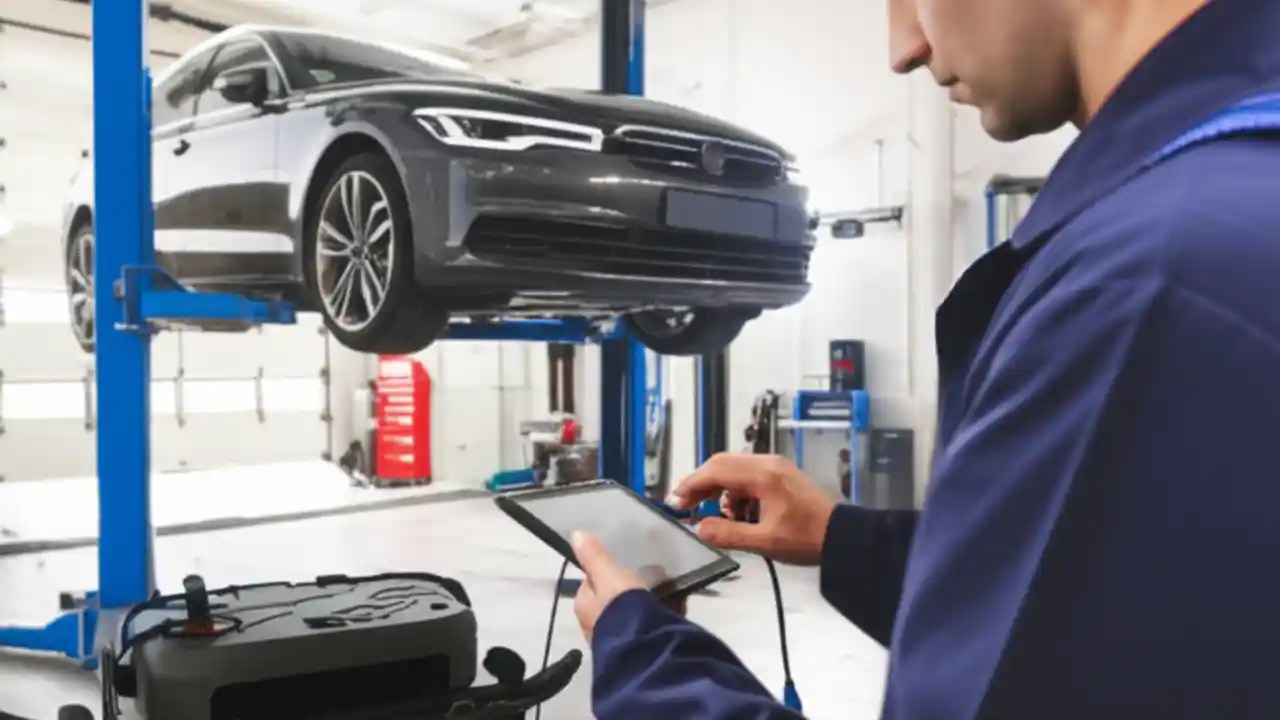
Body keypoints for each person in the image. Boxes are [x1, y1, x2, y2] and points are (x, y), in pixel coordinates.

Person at [571, 0, 1280, 716]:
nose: (902, 47)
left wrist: (647, 663)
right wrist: (843, 540)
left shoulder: (1146, 288)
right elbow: (1116, 616)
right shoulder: (1225, 204)